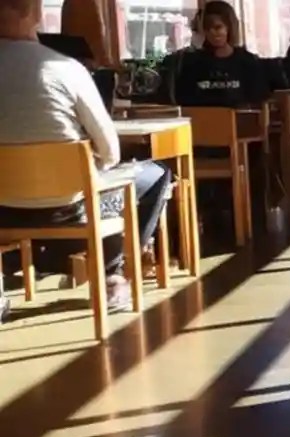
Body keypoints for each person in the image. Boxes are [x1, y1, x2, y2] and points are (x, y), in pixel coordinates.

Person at [0, 0, 171, 311]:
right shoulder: (64, 68)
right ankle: (111, 275)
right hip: (70, 209)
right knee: (157, 174)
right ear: (35, 14)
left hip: (3, 210)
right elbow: (110, 152)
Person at [173, 0, 267, 107]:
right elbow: (184, 103)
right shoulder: (192, 64)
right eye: (207, 28)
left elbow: (257, 103)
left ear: (229, 27)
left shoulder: (248, 62)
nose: (212, 32)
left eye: (218, 27)